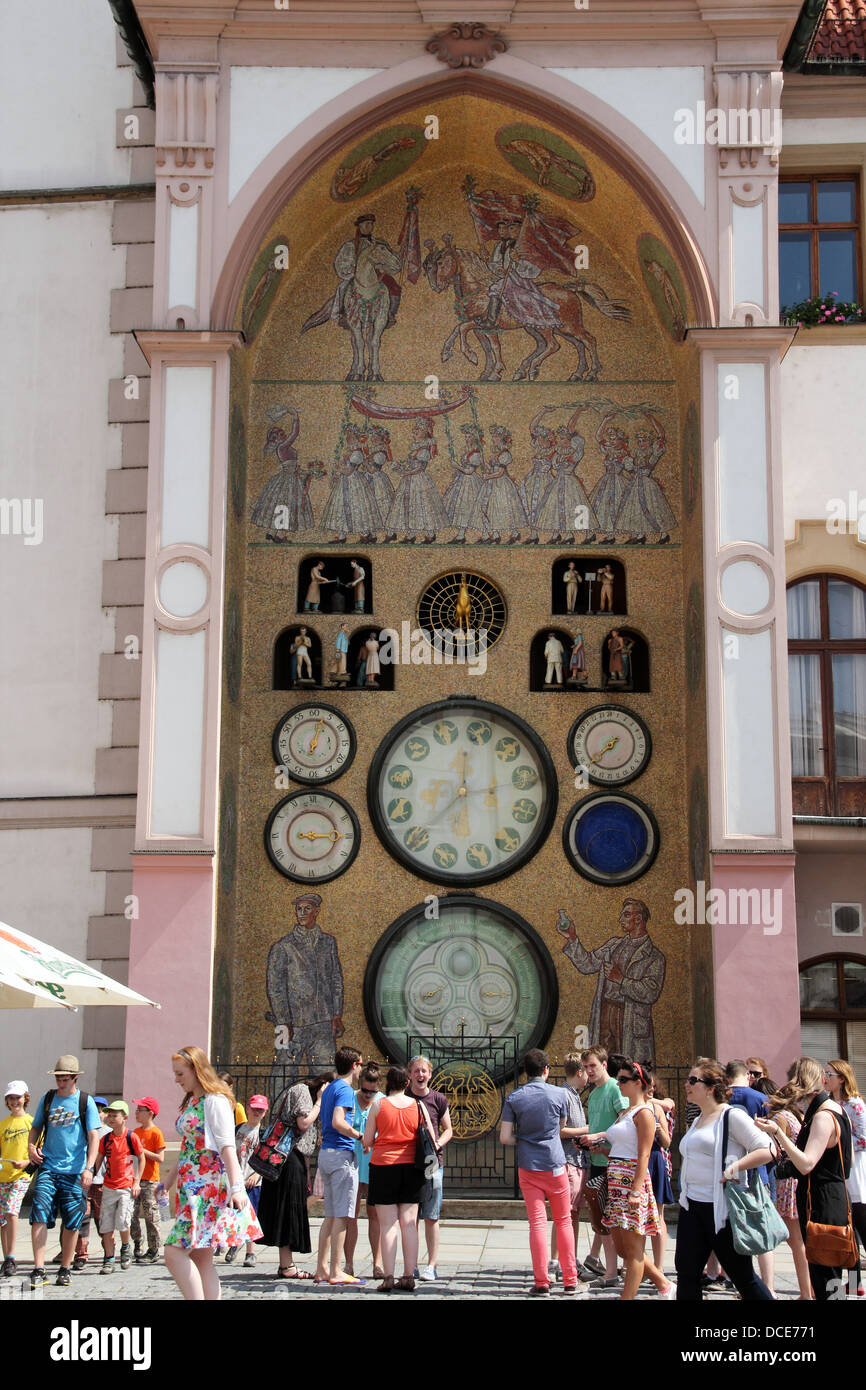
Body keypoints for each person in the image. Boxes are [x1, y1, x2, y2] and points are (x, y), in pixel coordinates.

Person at [163, 1046, 262, 1301]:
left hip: (206, 1188)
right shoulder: (194, 1100)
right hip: (191, 1187)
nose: (176, 1079)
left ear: (196, 1070)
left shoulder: (215, 1100)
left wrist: (237, 1188)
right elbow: (188, 1146)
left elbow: (228, 1147)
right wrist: (169, 1180)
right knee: (201, 1258)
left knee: (173, 1253)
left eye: (180, 1073)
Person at [676, 1057, 775, 1301]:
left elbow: (768, 1149)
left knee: (743, 1277)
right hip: (691, 1205)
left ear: (710, 1088)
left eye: (693, 1080)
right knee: (687, 1274)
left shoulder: (732, 1116)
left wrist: (737, 1166)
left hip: (721, 1210)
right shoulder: (698, 1119)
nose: (686, 1085)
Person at [756, 1057, 854, 1301]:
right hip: (828, 1198)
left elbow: (807, 1163)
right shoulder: (834, 1110)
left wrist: (778, 1133)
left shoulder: (823, 1116)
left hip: (822, 1202)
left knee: (826, 1282)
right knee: (829, 1280)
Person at [585, 1060, 674, 1299]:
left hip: (631, 1183)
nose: (618, 1083)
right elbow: (622, 1146)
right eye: (618, 1079)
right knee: (623, 1249)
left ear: (638, 1083)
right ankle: (663, 1285)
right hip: (615, 1179)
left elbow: (643, 1153)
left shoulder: (644, 1112)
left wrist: (636, 1191)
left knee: (633, 1252)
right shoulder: (625, 1111)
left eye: (623, 1080)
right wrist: (601, 1150)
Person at [499, 1049, 581, 1297]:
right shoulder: (560, 1094)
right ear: (546, 1070)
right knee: (563, 1220)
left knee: (536, 1223)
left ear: (526, 1071)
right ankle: (570, 1279)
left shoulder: (514, 1098)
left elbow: (505, 1137)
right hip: (555, 1164)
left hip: (528, 1166)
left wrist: (522, 1140)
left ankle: (541, 1281)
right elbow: (561, 1127)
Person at [28, 1055, 102, 1289]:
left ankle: (65, 1268)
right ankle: (39, 1269)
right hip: (49, 1167)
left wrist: (89, 1167)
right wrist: (31, 1147)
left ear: (75, 1078)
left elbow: (93, 1136)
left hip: (75, 1170)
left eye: (65, 1078)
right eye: (58, 1078)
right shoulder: (48, 1099)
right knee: (38, 1214)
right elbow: (36, 1126)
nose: (61, 1082)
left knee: (72, 1221)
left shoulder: (84, 1101)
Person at [559, 899, 666, 1060]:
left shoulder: (654, 956)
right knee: (603, 1061)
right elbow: (588, 964)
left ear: (638, 919)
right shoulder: (614, 945)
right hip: (605, 1012)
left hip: (629, 1016)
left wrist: (621, 980)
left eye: (626, 915)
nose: (620, 919)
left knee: (629, 1065)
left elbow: (650, 992)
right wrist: (572, 938)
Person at [365, 1064, 434, 1292]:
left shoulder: (378, 1104)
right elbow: (431, 1137)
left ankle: (388, 1276)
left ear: (388, 1082)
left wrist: (380, 1140)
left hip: (384, 1166)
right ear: (407, 1083)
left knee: (387, 1225)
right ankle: (408, 1275)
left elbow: (366, 1140)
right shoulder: (418, 1105)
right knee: (409, 1224)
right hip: (411, 1167)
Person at [266, 892, 345, 1071]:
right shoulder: (283, 946)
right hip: (292, 1023)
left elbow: (336, 980)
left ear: (316, 912)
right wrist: (283, 1020)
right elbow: (275, 987)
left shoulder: (328, 943)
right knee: (283, 1072)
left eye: (307, 909)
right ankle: (279, 1101)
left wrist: (337, 1014)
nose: (301, 913)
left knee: (326, 1075)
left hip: (323, 1022)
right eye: (298, 909)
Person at [257, 1083, 322, 1281]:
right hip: (288, 1158)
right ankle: (287, 1266)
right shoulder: (303, 1092)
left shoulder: (294, 1091)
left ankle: (286, 1263)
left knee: (286, 1211)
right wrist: (319, 1100)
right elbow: (304, 1122)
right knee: (288, 1211)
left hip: (283, 1158)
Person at [578, 1046, 627, 1287]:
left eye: (593, 1066)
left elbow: (626, 1122)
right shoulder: (594, 1093)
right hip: (597, 1160)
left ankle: (618, 1268)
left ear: (604, 1064)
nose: (589, 1071)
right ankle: (607, 1267)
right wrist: (587, 1141)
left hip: (613, 1161)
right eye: (586, 1067)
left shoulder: (614, 1089)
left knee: (612, 1218)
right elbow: (595, 1124)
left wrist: (598, 1137)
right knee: (601, 1216)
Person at [316, 1045, 364, 1286]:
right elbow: (337, 1121)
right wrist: (358, 1135)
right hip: (341, 1155)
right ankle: (336, 1270)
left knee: (331, 1215)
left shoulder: (329, 1088)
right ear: (354, 1065)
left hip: (326, 1153)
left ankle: (322, 1268)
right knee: (343, 1216)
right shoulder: (345, 1089)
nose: (361, 1069)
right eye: (361, 1065)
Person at [760, 1075, 811, 1299]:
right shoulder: (795, 1116)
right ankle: (807, 1291)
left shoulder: (781, 1118)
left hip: (786, 1182)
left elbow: (777, 1151)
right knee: (798, 1240)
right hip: (795, 1180)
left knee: (796, 1240)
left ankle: (806, 1292)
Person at [405, 1055, 452, 1282]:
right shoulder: (403, 1097)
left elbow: (448, 1129)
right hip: (408, 1161)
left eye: (424, 1071)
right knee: (410, 1216)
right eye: (416, 1071)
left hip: (432, 1162)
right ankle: (411, 1263)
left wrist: (437, 1143)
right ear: (409, 1075)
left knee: (431, 1215)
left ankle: (431, 1265)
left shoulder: (438, 1099)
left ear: (430, 1074)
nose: (420, 1075)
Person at [823, 1059, 866, 1278]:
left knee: (860, 1219)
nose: (825, 1077)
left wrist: (840, 1139)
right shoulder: (826, 1103)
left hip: (855, 1167)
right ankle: (853, 1278)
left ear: (841, 1078)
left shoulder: (855, 1103)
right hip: (835, 1168)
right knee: (846, 1226)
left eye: (828, 1074)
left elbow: (864, 1138)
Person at [551, 1052, 591, 1282]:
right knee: (565, 1214)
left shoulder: (574, 1094)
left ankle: (570, 1257)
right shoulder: (565, 1095)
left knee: (572, 1214)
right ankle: (559, 1261)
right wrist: (586, 1129)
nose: (589, 1074)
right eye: (586, 1070)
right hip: (568, 1160)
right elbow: (559, 1130)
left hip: (578, 1160)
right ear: (579, 1072)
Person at [95, 1101, 143, 1275]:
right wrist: (92, 1175)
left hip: (125, 1186)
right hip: (108, 1187)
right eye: (109, 1115)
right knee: (105, 1225)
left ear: (125, 1118)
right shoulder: (105, 1139)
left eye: (115, 1115)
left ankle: (125, 1247)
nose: (111, 1118)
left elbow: (141, 1158)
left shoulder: (131, 1137)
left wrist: (136, 1181)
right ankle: (108, 1258)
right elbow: (99, 1159)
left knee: (123, 1220)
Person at [346, 1064, 383, 1278]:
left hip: (374, 1163)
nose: (368, 1095)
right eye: (365, 1091)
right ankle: (349, 1263)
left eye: (372, 1091)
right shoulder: (349, 1098)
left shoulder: (383, 1100)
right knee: (351, 1214)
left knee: (374, 1213)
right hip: (352, 1161)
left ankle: (377, 1263)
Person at [228, 1094, 268, 1268]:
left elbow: (267, 1158)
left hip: (253, 1180)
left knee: (250, 1215)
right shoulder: (237, 1129)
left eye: (260, 1110)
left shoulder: (263, 1133)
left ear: (265, 1112)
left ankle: (250, 1252)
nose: (256, 1113)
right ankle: (235, 1242)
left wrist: (257, 1175)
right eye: (254, 1109)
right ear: (247, 1109)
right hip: (236, 1179)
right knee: (234, 1214)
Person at [0, 1081, 33, 1277]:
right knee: (3, 1219)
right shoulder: (3, 1124)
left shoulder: (31, 1122)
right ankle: (7, 1258)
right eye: (11, 1098)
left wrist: (26, 1162)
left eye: (18, 1097)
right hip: (3, 1176)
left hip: (21, 1176)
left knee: (12, 1212)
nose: (14, 1101)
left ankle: (11, 1257)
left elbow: (40, 1151)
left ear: (25, 1098)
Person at [73, 1096, 109, 1269]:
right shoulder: (82, 1129)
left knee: (102, 1220)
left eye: (101, 1110)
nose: (98, 1113)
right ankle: (81, 1254)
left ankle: (108, 1252)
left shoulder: (109, 1132)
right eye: (95, 1109)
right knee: (83, 1219)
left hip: (103, 1183)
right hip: (84, 1182)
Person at [130, 1096, 165, 1265]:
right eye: (136, 1110)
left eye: (140, 1110)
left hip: (150, 1180)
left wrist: (143, 1151)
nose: (136, 1113)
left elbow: (160, 1158)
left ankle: (154, 1248)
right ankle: (137, 1241)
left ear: (150, 1113)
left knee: (151, 1215)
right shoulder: (135, 1132)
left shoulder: (156, 1133)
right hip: (135, 1179)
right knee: (131, 1214)